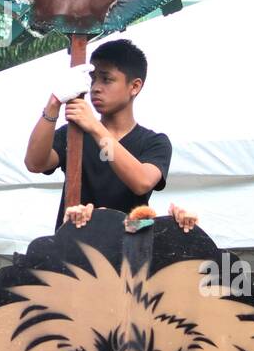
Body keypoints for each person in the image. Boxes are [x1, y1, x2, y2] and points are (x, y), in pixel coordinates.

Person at [24, 39, 176, 231]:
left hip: (128, 245)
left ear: (135, 86)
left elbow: (142, 182)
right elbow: (35, 163)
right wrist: (54, 102)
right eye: (93, 78)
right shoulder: (74, 134)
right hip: (72, 245)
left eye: (106, 79)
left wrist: (95, 127)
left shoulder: (154, 142)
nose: (95, 87)